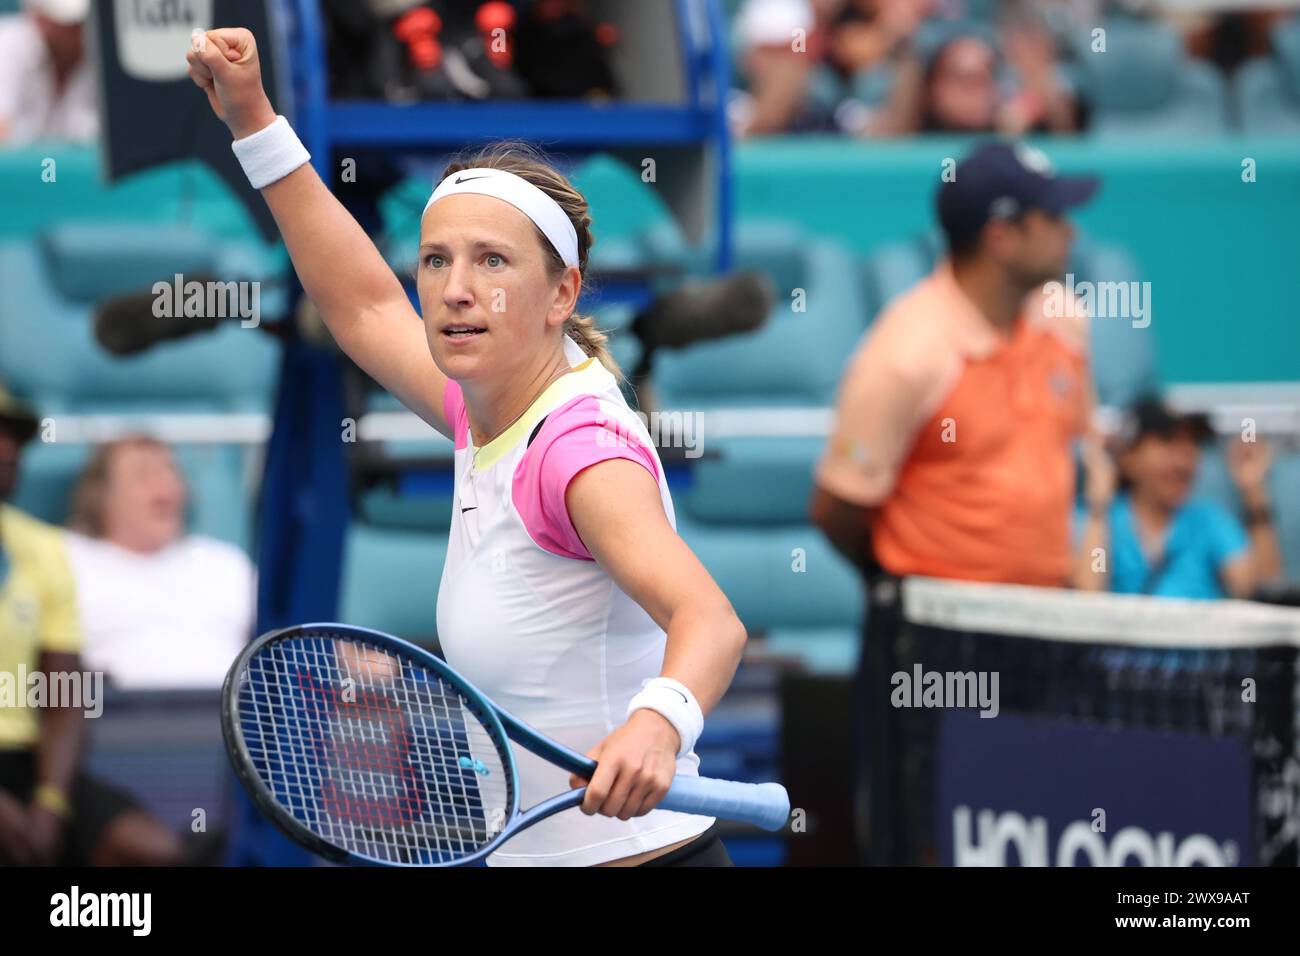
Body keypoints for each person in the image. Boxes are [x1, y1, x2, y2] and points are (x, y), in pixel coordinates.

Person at [186, 26, 748, 867]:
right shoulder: (482, 407)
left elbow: (711, 619)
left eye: (492, 262)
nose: (455, 290)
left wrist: (658, 722)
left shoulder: (579, 451)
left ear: (562, 293)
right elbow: (366, 307)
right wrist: (255, 120)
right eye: (436, 260)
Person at [811, 140, 1101, 588]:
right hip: (937, 631)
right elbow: (838, 509)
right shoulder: (903, 354)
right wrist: (906, 592)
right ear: (1001, 237)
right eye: (1054, 218)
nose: (1071, 233)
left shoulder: (1066, 321)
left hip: (1048, 618)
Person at [0, 386, 182, 866]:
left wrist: (50, 805)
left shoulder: (41, 548)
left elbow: (64, 691)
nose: (9, 450)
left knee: (151, 852)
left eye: (16, 437)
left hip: (20, 761)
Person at [63, 436, 256, 689]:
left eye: (170, 473)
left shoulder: (227, 563)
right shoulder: (63, 559)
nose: (165, 488)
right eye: (143, 476)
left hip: (230, 719)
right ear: (102, 496)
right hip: (113, 719)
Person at [1073, 396, 1283, 600]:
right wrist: (1098, 507)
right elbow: (1088, 595)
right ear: (1129, 457)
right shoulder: (1103, 523)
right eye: (1168, 441)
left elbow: (1258, 589)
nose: (1183, 460)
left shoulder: (1208, 522)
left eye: (1192, 443)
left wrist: (1254, 491)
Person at [0, 0, 98, 147]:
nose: (78, 31)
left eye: (82, 23)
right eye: (68, 25)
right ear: (38, 17)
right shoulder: (8, 46)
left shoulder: (97, 59)